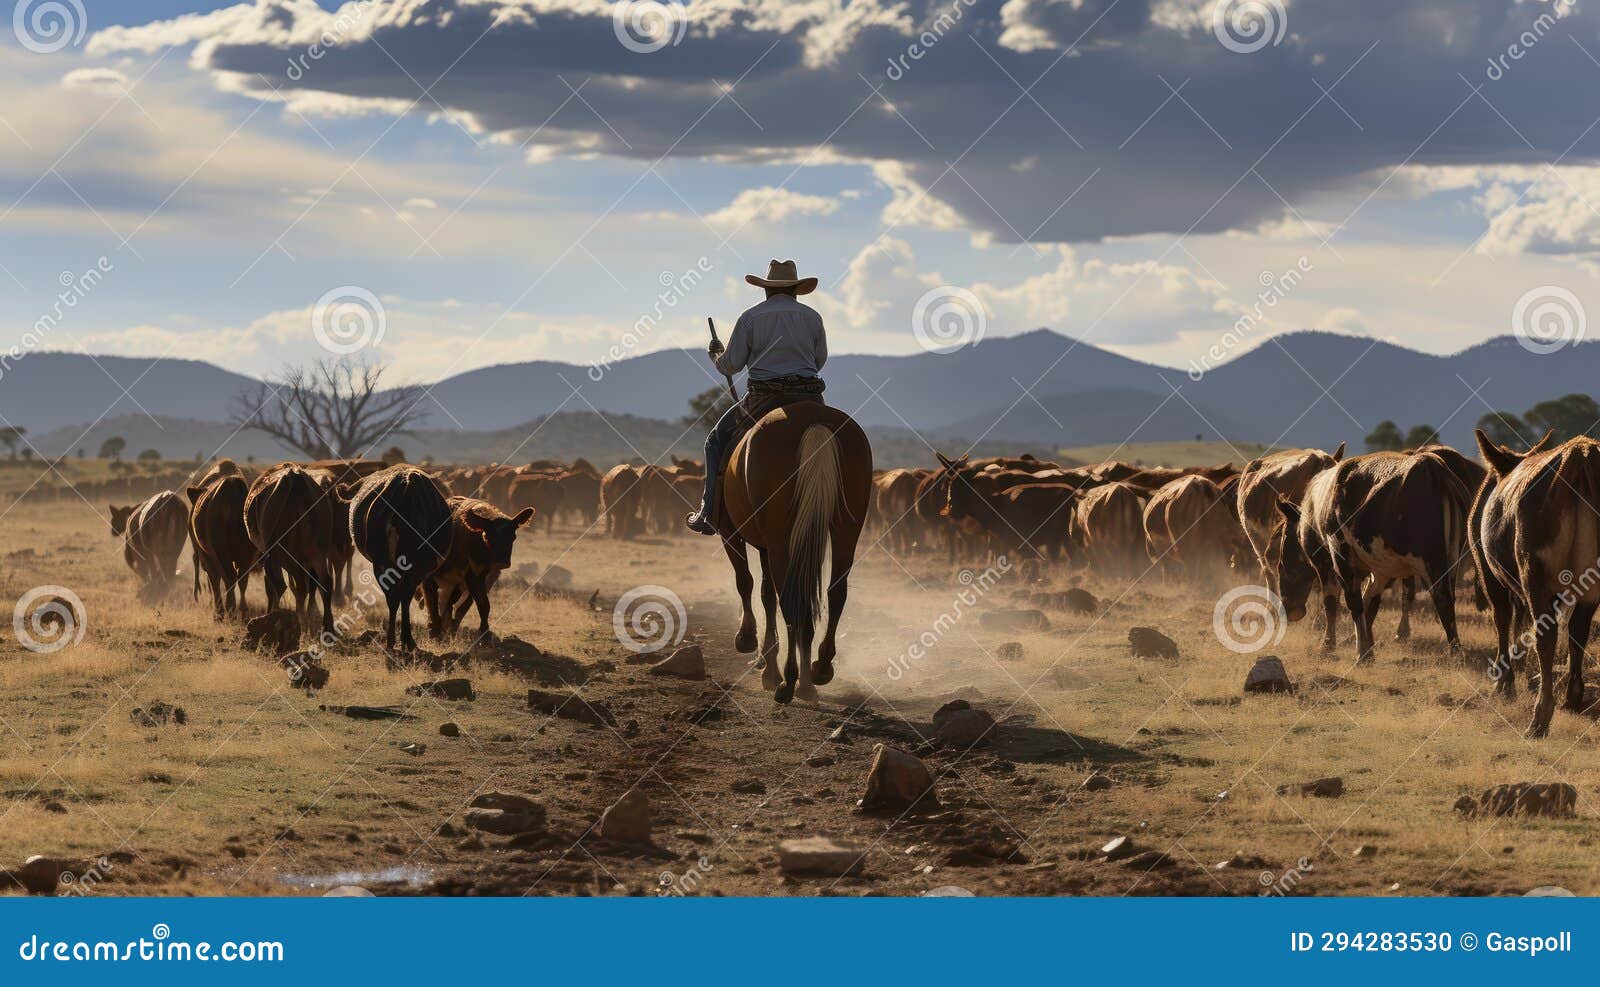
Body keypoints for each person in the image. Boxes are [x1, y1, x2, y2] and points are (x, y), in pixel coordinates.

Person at [685, 259, 828, 535]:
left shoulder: (751, 317)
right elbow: (819, 360)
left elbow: (730, 366)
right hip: (809, 395)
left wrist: (716, 353)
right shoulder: (812, 317)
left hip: (764, 398)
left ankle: (708, 511)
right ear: (796, 290)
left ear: (766, 290)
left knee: (715, 442)